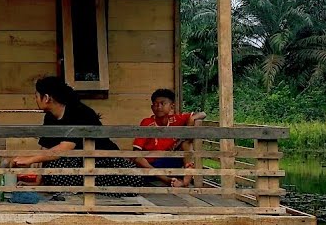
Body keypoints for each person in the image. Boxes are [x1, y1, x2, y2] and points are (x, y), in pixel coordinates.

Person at [10, 76, 140, 193]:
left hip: (105, 161)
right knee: (53, 167)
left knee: (131, 177)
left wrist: (30, 159)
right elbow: (46, 149)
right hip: (78, 164)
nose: (36, 99)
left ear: (47, 98)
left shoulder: (79, 112)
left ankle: (93, 191)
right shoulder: (50, 117)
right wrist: (38, 181)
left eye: (37, 96)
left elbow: (65, 147)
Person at [132, 88, 206, 187]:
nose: (159, 107)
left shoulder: (176, 119)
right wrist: (165, 178)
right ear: (152, 107)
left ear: (172, 106)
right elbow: (136, 155)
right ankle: (170, 180)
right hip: (151, 167)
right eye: (155, 104)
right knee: (139, 158)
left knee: (186, 143)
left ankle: (185, 180)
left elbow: (203, 114)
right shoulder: (147, 123)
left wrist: (192, 119)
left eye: (163, 103)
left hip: (170, 162)